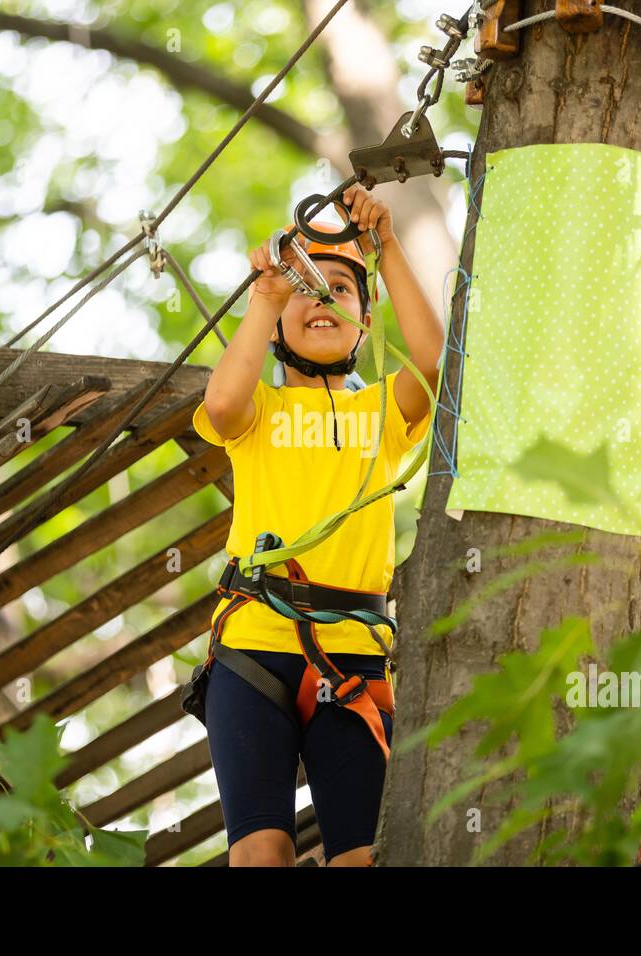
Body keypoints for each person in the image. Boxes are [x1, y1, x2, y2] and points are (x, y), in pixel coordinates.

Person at [188, 183, 443, 866]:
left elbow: (431, 361)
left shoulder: (380, 415)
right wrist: (266, 295)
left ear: (366, 317)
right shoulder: (260, 412)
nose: (322, 299)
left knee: (360, 855)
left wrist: (384, 247)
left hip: (353, 651)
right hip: (252, 647)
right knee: (260, 851)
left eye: (340, 288)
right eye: (306, 287)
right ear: (276, 322)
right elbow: (221, 403)